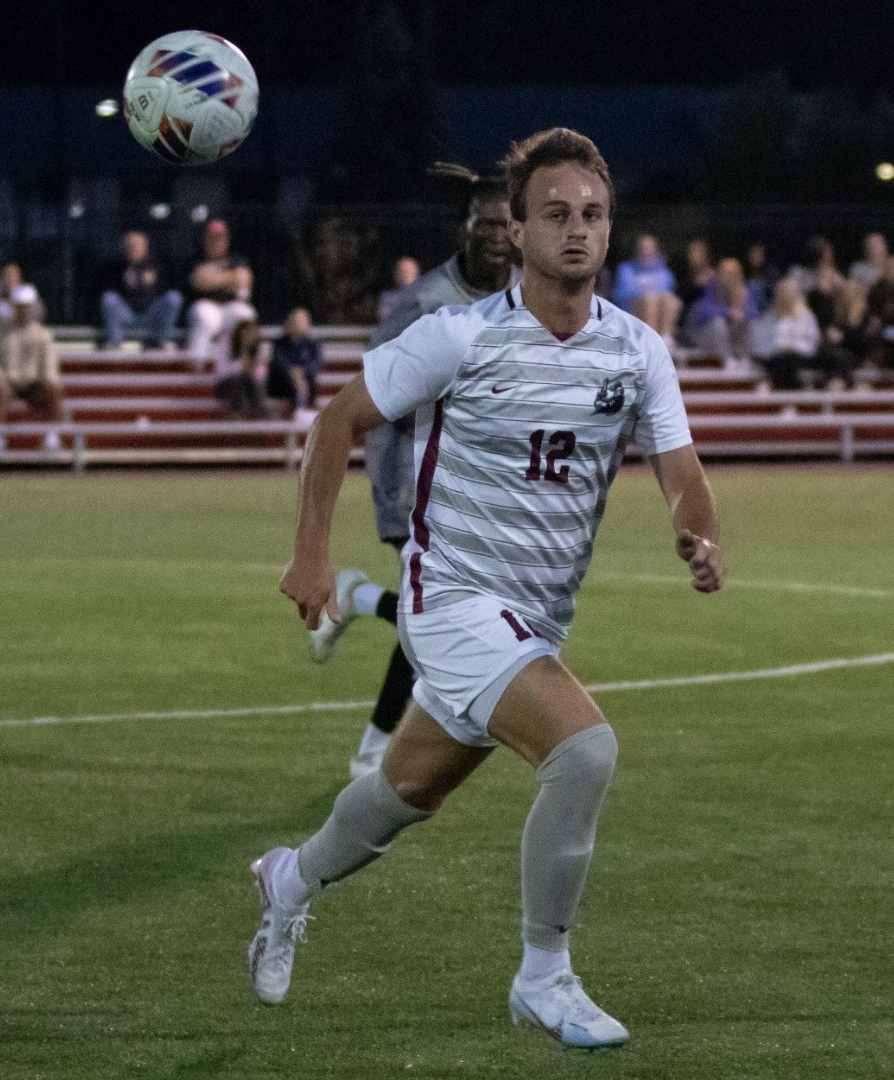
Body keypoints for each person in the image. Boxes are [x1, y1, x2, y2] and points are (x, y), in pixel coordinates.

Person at [250, 128, 721, 1050]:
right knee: (584, 752)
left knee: (405, 792)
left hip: (532, 616)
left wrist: (695, 529)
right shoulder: (459, 337)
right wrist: (311, 554)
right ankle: (544, 976)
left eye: (591, 214)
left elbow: (681, 466)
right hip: (451, 600)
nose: (576, 231)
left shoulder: (636, 351)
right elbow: (340, 417)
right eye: (555, 215)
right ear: (516, 226)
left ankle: (290, 879)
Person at [309, 162, 517, 781]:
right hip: (410, 473)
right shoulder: (425, 301)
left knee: (444, 612)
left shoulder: (520, 302)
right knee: (438, 619)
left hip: (471, 481)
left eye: (506, 224)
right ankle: (374, 747)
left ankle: (357, 598)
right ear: (463, 230)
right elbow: (374, 391)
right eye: (484, 224)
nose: (495, 236)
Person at [0, 299, 64, 444]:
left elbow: (49, 365)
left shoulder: (43, 334)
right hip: (10, 383)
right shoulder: (0, 332)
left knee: (53, 389)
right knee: (1, 390)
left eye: (26, 307)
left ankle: (52, 434)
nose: (23, 311)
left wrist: (48, 380)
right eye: (20, 307)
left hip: (34, 384)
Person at [185, 220, 255, 366]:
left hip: (230, 306)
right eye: (211, 238)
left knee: (245, 315)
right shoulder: (197, 259)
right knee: (207, 318)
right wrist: (231, 278)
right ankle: (197, 366)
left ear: (226, 239)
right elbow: (200, 281)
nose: (216, 242)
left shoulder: (237, 259)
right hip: (205, 306)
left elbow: (245, 280)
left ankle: (243, 366)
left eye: (220, 238)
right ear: (205, 239)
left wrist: (214, 278)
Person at [99, 230, 182, 350]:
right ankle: (114, 343)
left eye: (138, 246)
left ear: (145, 247)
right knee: (109, 298)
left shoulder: (157, 266)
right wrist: (125, 274)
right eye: (131, 246)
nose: (134, 249)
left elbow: (166, 290)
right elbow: (107, 290)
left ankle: (160, 341)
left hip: (151, 314)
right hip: (127, 314)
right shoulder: (115, 267)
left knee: (174, 297)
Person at [752, 275, 822, 390]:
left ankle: (788, 400)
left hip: (799, 357)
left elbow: (813, 342)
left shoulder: (806, 316)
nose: (786, 297)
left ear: (796, 295)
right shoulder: (769, 317)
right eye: (783, 293)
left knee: (789, 361)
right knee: (782, 361)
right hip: (774, 357)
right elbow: (760, 344)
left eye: (789, 293)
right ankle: (785, 400)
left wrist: (795, 348)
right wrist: (777, 349)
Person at [688, 256, 758, 365]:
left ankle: (745, 358)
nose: (728, 276)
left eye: (732, 273)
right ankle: (727, 360)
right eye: (725, 272)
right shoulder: (711, 287)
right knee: (718, 322)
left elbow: (754, 314)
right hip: (705, 335)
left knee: (748, 323)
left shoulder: (743, 290)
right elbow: (705, 310)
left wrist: (742, 314)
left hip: (730, 336)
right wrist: (728, 312)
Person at [611, 234, 680, 341]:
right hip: (631, 309)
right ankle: (649, 340)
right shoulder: (626, 269)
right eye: (643, 248)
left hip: (658, 305)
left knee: (672, 301)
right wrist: (643, 292)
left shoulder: (663, 272)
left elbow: (669, 291)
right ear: (637, 250)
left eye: (649, 248)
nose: (646, 252)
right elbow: (619, 295)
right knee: (650, 300)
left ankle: (666, 338)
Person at [266, 307, 323, 416]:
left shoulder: (313, 344)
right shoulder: (279, 343)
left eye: (301, 321)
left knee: (305, 382)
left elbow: (316, 364)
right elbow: (279, 363)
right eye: (295, 321)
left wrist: (301, 373)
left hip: (306, 381)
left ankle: (303, 410)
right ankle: (294, 412)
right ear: (289, 322)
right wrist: (293, 373)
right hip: (283, 382)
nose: (298, 324)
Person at [213, 319, 268, 419]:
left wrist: (251, 359)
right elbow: (223, 372)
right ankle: (240, 415)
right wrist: (243, 360)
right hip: (226, 384)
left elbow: (260, 375)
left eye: (250, 334)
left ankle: (258, 416)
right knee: (240, 380)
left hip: (249, 385)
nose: (247, 337)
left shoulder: (258, 350)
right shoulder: (227, 347)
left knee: (255, 383)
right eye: (244, 333)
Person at [377, 257, 420, 324]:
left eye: (408, 272)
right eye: (402, 272)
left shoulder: (424, 297)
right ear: (395, 274)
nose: (404, 276)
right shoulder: (387, 297)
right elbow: (386, 319)